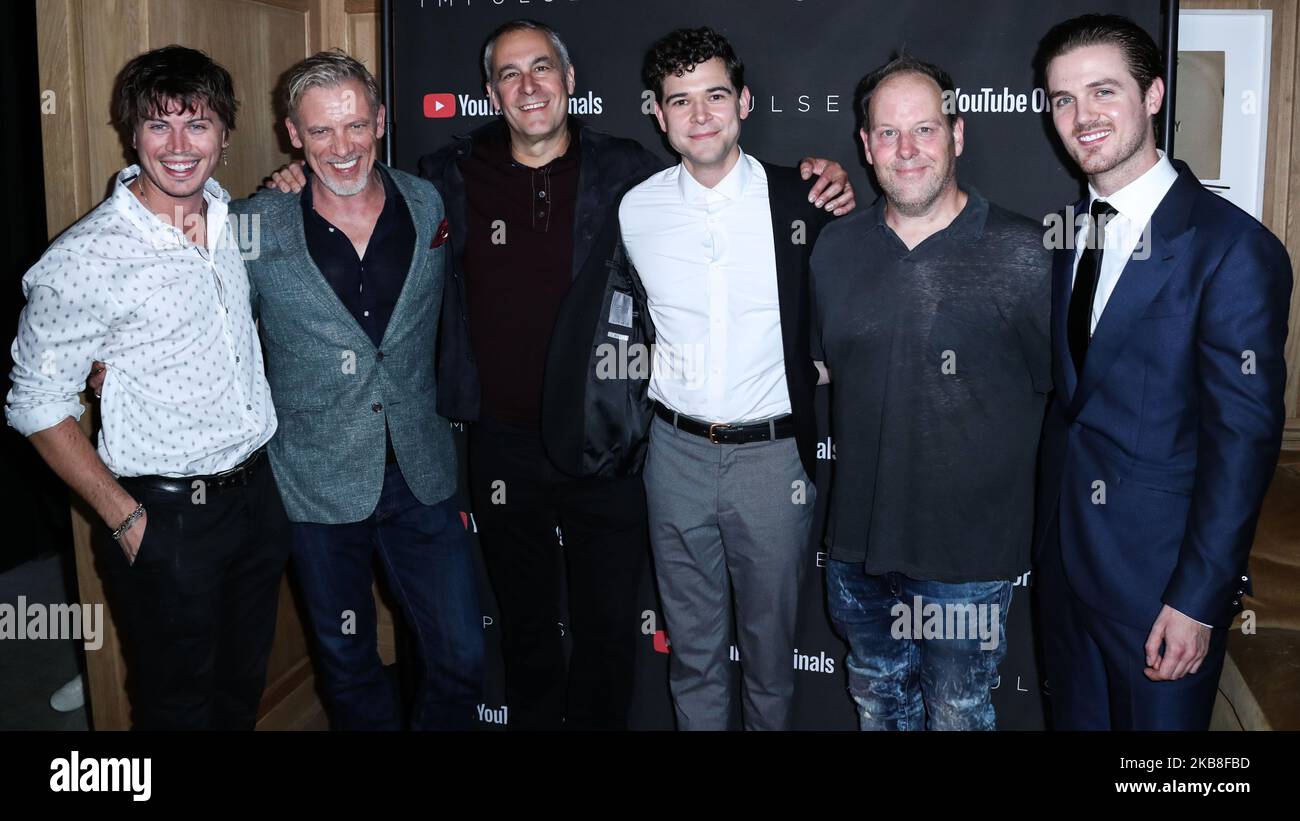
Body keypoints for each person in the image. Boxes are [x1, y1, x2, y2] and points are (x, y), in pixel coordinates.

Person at [270, 18, 854, 731]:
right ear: (491, 94)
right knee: (524, 630)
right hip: (502, 444)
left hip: (608, 439)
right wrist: (292, 178)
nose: (529, 85)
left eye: (542, 67)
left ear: (571, 80)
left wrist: (825, 177)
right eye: (511, 75)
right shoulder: (443, 180)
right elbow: (351, 185)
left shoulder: (631, 175)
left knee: (611, 629)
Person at [6, 45, 287, 730]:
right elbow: (35, 404)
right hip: (166, 518)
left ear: (224, 133)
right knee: (176, 709)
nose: (179, 146)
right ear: (133, 133)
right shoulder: (83, 258)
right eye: (159, 125)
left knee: (241, 689)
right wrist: (126, 520)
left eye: (197, 124)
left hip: (257, 500)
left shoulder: (227, 219)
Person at [1034, 13, 1292, 730]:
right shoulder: (1071, 233)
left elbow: (1242, 443)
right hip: (1067, 571)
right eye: (1062, 99)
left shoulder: (1233, 250)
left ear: (1153, 95)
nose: (1082, 117)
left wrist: (1199, 599)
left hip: (1161, 592)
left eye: (1103, 91)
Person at [233, 51, 483, 730]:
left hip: (421, 470)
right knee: (346, 662)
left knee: (462, 652)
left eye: (354, 127)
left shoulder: (426, 199)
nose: (341, 148)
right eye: (320, 132)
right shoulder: (253, 226)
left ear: (378, 121)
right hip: (316, 482)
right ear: (293, 134)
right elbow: (203, 318)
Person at [810, 56, 1051, 731]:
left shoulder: (1025, 254)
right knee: (879, 707)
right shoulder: (833, 249)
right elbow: (822, 370)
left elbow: (1064, 400)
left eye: (924, 129)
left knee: (957, 715)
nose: (906, 150)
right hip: (857, 551)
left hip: (967, 562)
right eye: (887, 133)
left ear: (958, 134)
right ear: (865, 145)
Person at [617, 26, 835, 730]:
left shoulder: (801, 199)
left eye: (715, 94)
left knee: (772, 659)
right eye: (680, 100)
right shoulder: (636, 210)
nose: (700, 114)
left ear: (743, 101)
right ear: (658, 114)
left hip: (772, 463)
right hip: (672, 455)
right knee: (694, 656)